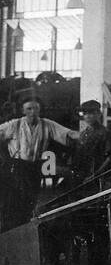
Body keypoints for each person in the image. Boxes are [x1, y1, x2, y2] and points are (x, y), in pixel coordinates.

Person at [0, 98, 79, 229]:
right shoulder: (15, 125)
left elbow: (67, 133)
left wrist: (83, 135)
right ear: (23, 111)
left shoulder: (47, 124)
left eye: (35, 108)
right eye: (29, 109)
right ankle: (12, 230)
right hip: (17, 167)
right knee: (15, 200)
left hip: (35, 167)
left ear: (39, 109)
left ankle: (26, 228)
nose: (33, 112)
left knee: (31, 199)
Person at [70, 99, 111, 182]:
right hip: (81, 174)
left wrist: (95, 175)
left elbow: (109, 158)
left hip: (95, 176)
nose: (87, 116)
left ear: (98, 114)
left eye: (91, 113)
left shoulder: (104, 133)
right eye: (85, 113)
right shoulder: (84, 133)